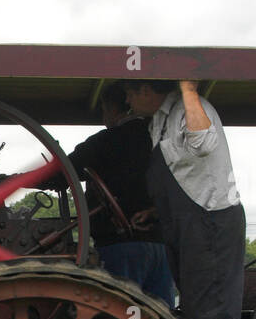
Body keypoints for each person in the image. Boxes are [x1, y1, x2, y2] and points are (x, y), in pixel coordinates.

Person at [122, 78, 256, 319]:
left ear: (150, 89)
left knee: (212, 314)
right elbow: (186, 174)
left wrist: (188, 88)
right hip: (187, 222)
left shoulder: (189, 109)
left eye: (131, 90)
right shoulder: (159, 121)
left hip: (209, 221)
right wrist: (156, 213)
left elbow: (202, 142)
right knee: (196, 315)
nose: (127, 97)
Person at [60, 81, 175, 307]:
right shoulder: (161, 140)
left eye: (104, 111)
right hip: (162, 247)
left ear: (112, 109)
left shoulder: (106, 142)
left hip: (120, 246)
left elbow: (62, 172)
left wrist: (13, 179)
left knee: (118, 316)